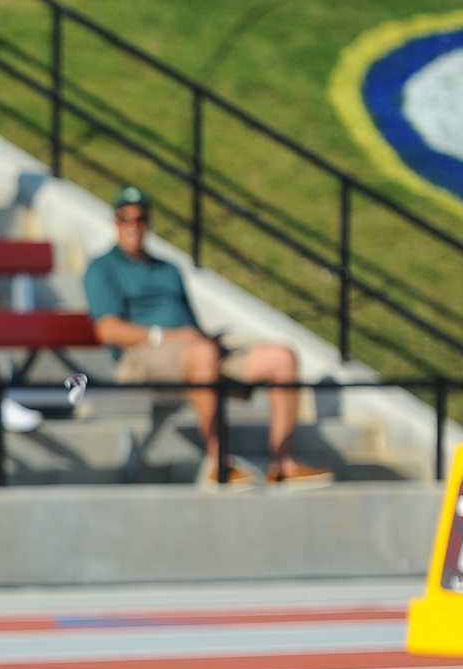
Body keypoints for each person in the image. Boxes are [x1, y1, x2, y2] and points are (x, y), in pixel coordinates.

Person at [85, 187, 333, 487]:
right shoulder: (103, 268)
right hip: (142, 357)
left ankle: (283, 465)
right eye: (125, 218)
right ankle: (220, 464)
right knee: (201, 354)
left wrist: (201, 340)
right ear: (115, 222)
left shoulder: (169, 269)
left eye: (140, 218)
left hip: (194, 351)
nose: (133, 225)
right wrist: (169, 337)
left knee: (282, 357)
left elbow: (190, 324)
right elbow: (108, 330)